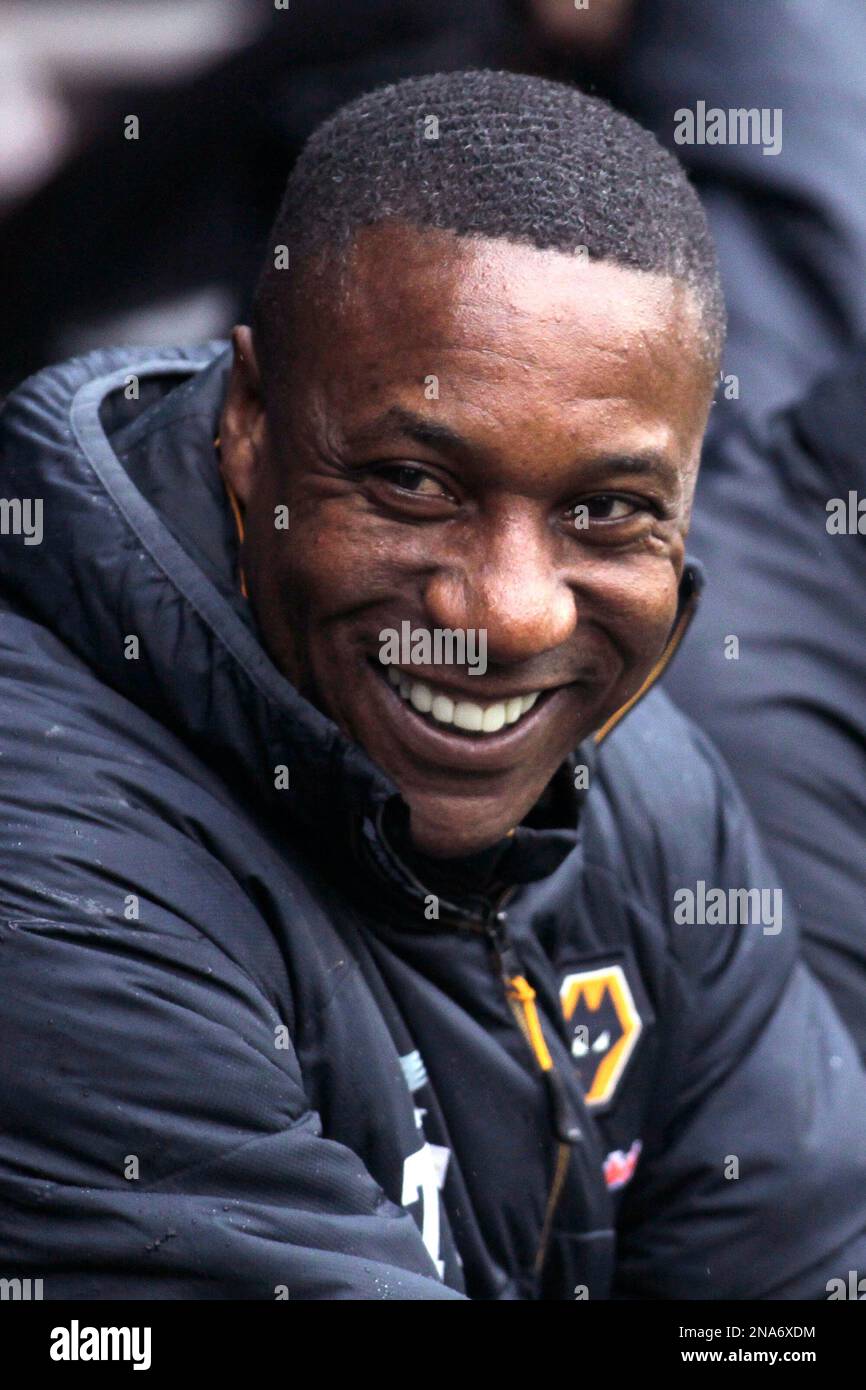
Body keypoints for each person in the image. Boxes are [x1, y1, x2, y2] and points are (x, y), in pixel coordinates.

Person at [0, 70, 864, 1301]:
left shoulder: (646, 781)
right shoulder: (50, 884)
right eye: (413, 483)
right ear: (246, 423)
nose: (507, 614)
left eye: (606, 511)